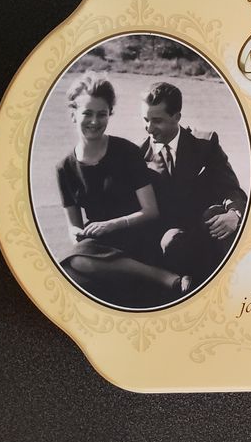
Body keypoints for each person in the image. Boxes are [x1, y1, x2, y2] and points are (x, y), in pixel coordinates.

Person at [56, 73, 192, 308]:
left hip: (136, 237)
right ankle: (163, 280)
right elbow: (73, 226)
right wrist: (77, 233)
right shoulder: (64, 168)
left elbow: (150, 211)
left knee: (75, 263)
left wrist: (111, 225)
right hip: (97, 246)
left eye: (102, 114)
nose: (95, 121)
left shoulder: (127, 152)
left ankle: (164, 278)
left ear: (110, 114)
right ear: (73, 114)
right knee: (71, 266)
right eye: (87, 113)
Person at [139, 82, 248, 289]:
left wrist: (234, 214)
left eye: (157, 121)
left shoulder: (205, 144)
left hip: (208, 231)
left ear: (177, 117)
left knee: (221, 217)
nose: (149, 128)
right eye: (145, 120)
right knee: (172, 240)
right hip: (169, 243)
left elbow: (231, 189)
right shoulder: (138, 155)